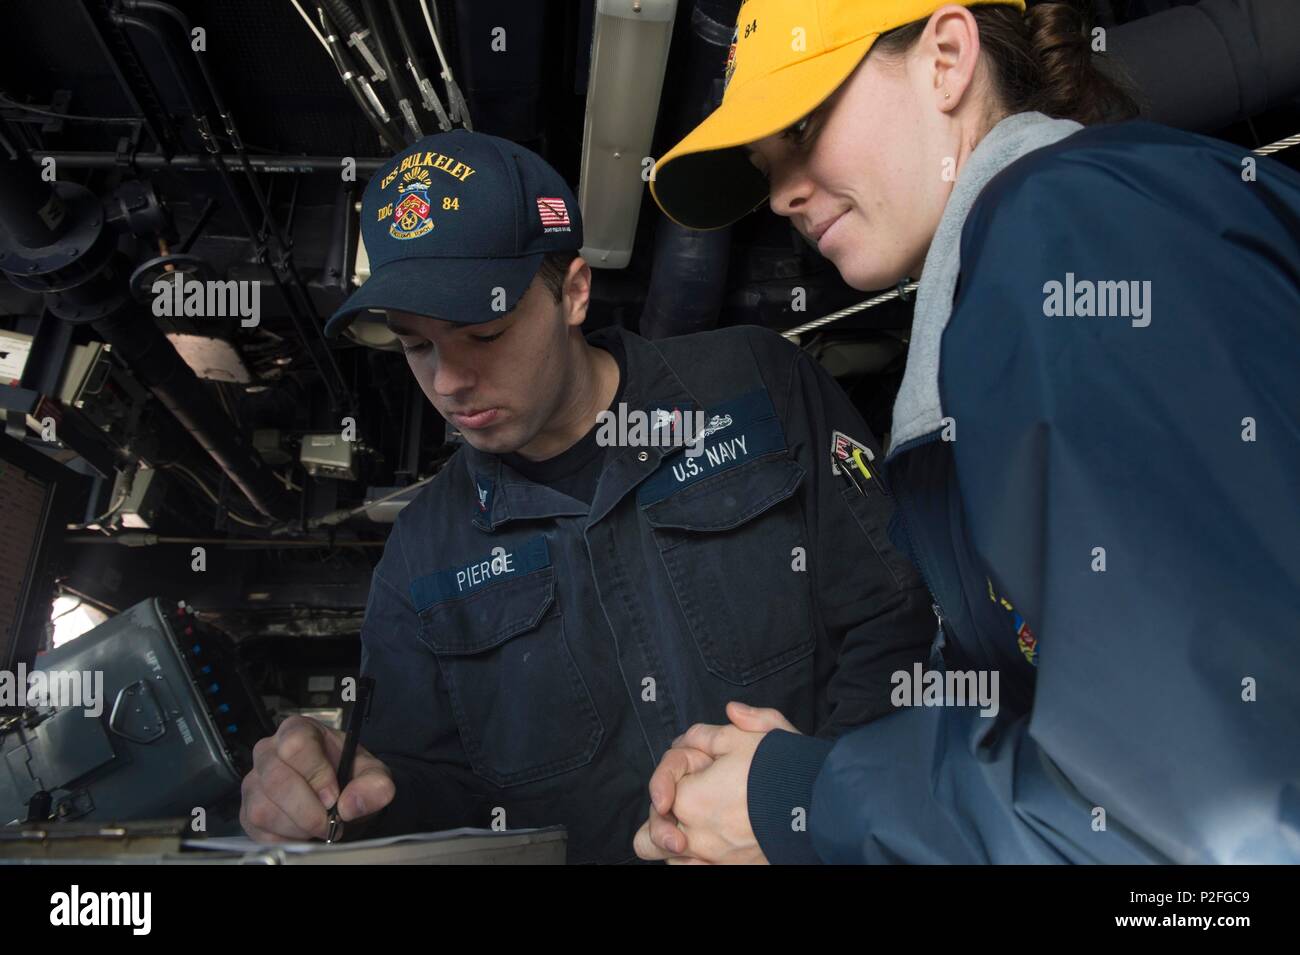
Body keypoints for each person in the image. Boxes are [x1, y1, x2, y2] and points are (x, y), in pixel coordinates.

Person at [636, 0, 1300, 864]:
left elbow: (1220, 832)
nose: (781, 193)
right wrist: (820, 772)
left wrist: (805, 799)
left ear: (946, 56)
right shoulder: (1018, 268)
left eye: (801, 126)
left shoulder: (1069, 228)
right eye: (767, 165)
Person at [237, 129, 935, 863]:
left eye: (485, 332)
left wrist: (811, 810)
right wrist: (333, 798)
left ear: (573, 291)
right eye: (415, 344)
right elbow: (429, 807)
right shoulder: (420, 560)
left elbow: (900, 622)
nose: (448, 381)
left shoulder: (757, 386)